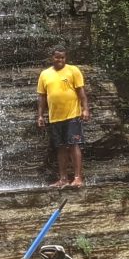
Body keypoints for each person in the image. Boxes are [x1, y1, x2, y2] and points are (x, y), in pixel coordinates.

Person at [36, 46, 89, 188]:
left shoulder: (73, 70)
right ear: (52, 58)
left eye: (62, 57)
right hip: (54, 117)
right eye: (57, 57)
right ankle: (63, 178)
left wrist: (85, 109)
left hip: (72, 115)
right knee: (60, 148)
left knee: (73, 144)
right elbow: (41, 97)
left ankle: (77, 177)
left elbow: (81, 92)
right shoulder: (44, 74)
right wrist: (40, 115)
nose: (60, 60)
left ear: (65, 58)